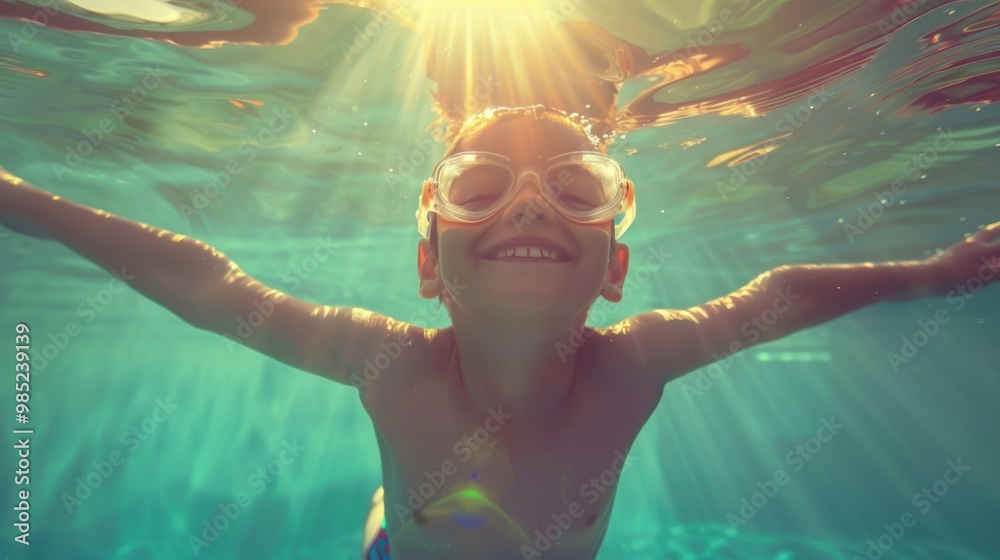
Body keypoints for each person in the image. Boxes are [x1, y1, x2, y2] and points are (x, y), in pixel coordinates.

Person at [1, 106, 997, 560]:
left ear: (613, 266)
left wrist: (936, 269)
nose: (527, 208)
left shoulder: (635, 360)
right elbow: (204, 279)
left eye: (574, 192)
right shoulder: (386, 359)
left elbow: (781, 290)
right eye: (481, 192)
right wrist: (22, 200)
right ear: (430, 265)